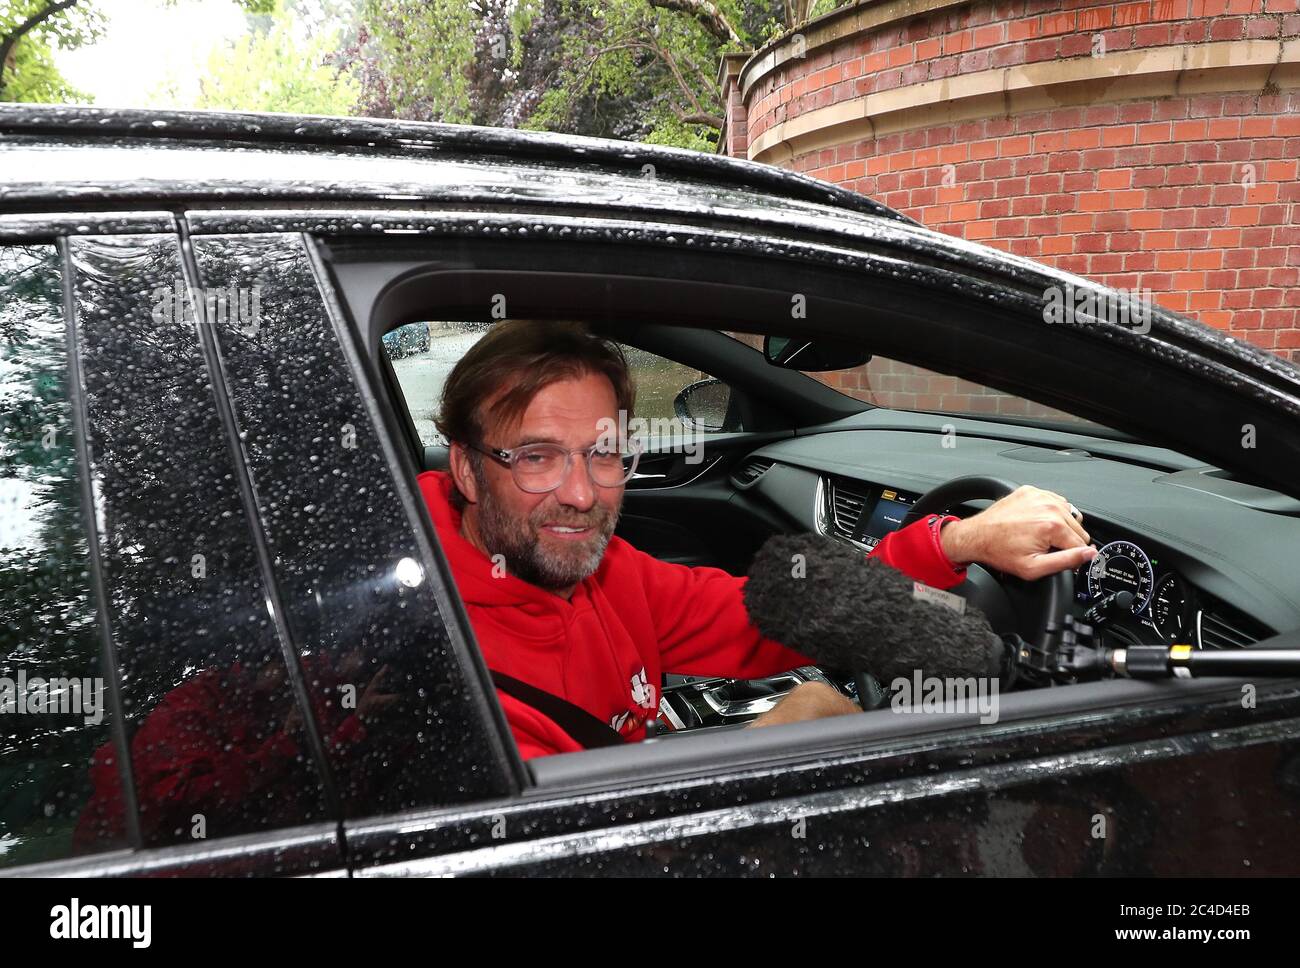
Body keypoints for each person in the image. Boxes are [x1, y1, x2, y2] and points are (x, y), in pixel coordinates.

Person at [418, 320, 1097, 759]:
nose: (582, 494)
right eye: (536, 457)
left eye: (603, 453)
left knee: (817, 704)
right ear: (467, 470)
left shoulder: (602, 574)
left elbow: (762, 617)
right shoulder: (434, 667)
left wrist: (954, 544)